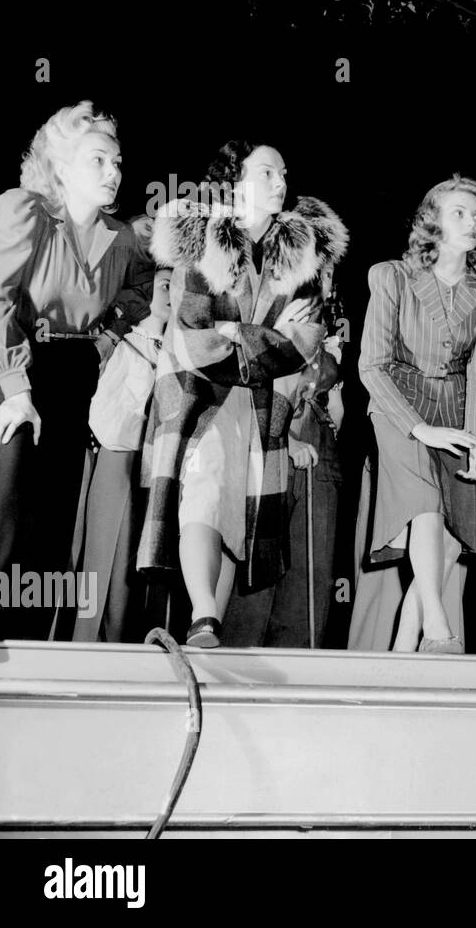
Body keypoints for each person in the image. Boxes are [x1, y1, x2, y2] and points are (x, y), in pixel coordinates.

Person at [137, 141, 348, 648]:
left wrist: (238, 333)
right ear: (235, 182)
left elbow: (305, 345)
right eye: (267, 171)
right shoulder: (199, 242)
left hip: (261, 406)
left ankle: (208, 630)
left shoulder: (299, 258)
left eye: (283, 172)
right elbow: (198, 343)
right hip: (198, 398)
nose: (280, 181)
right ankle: (204, 614)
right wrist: (265, 338)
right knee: (205, 492)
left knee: (238, 512)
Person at [0, 101, 152, 641]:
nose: (114, 172)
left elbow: (142, 291)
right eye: (99, 160)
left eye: (118, 161)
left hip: (74, 377)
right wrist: (15, 389)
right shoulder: (25, 211)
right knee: (8, 517)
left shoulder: (124, 238)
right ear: (62, 167)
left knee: (56, 527)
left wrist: (106, 335)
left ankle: (35, 647)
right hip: (12, 367)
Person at [349, 175, 476, 654]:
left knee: (454, 536)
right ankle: (439, 630)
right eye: (457, 212)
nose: (471, 221)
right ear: (432, 222)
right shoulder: (391, 276)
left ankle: (407, 633)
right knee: (425, 506)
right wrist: (421, 429)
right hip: (399, 407)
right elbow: (371, 365)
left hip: (457, 408)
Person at [223, 263, 345, 649]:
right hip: (271, 441)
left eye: (327, 271)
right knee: (261, 565)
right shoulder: (266, 308)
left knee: (312, 573)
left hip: (319, 448)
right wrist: (286, 437)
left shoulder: (329, 321)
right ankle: (237, 670)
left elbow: (332, 395)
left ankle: (296, 673)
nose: (323, 277)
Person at [72, 261, 172, 642]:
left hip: (149, 469)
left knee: (128, 577)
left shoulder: (172, 351)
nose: (171, 294)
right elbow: (104, 417)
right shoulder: (128, 346)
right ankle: (79, 649)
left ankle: (117, 651)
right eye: (164, 285)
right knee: (96, 567)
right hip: (116, 460)